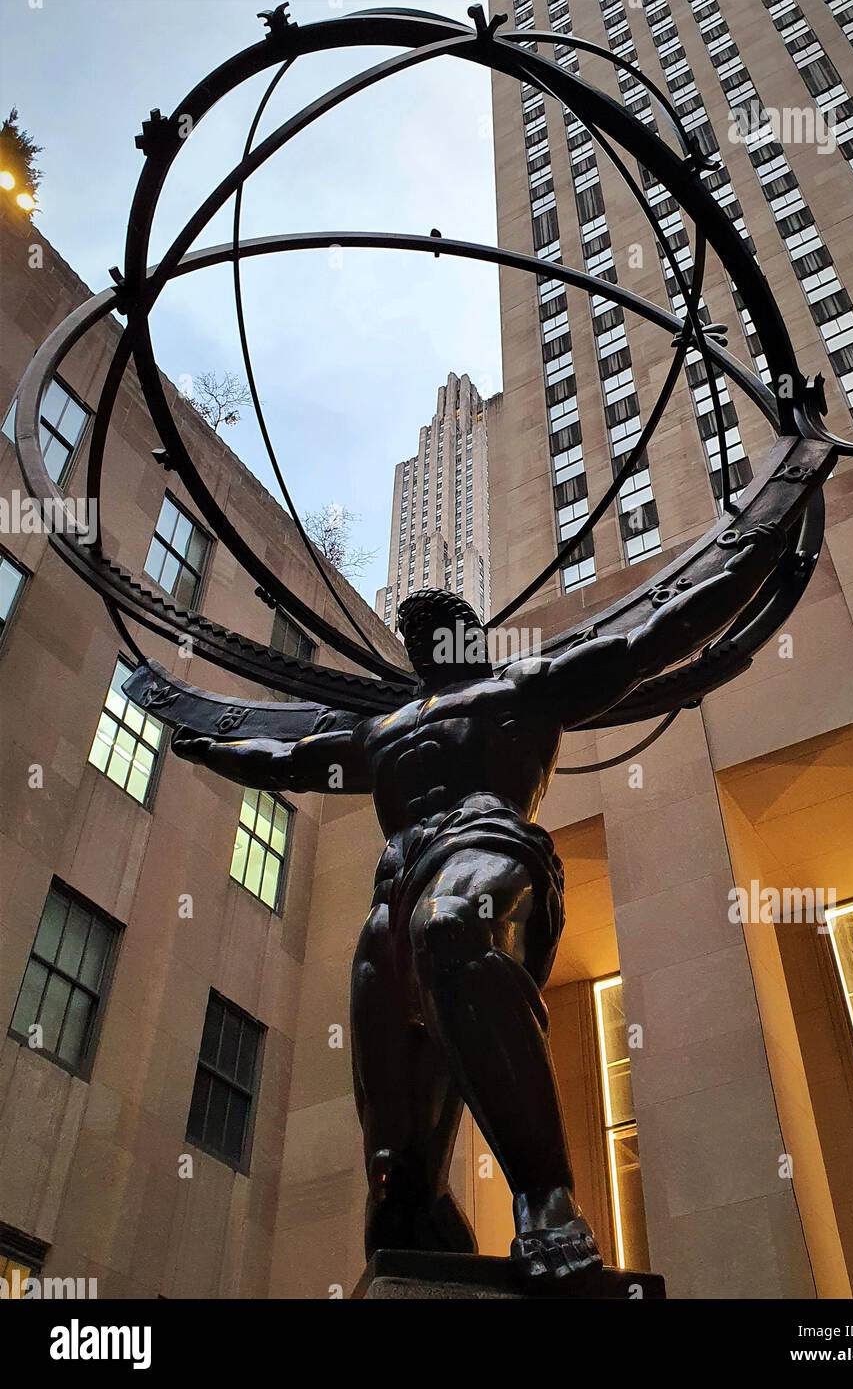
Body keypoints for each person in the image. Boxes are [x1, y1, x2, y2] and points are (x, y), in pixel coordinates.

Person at [173, 523, 785, 1279]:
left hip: (488, 856)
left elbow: (662, 634)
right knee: (394, 1169)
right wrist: (200, 738)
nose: (428, 640)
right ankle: (428, 1245)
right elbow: (288, 761)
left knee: (453, 924)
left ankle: (545, 1198)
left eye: (442, 627)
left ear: (471, 634)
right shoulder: (379, 729)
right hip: (392, 895)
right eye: (416, 632)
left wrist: (763, 545)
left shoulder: (526, 687)